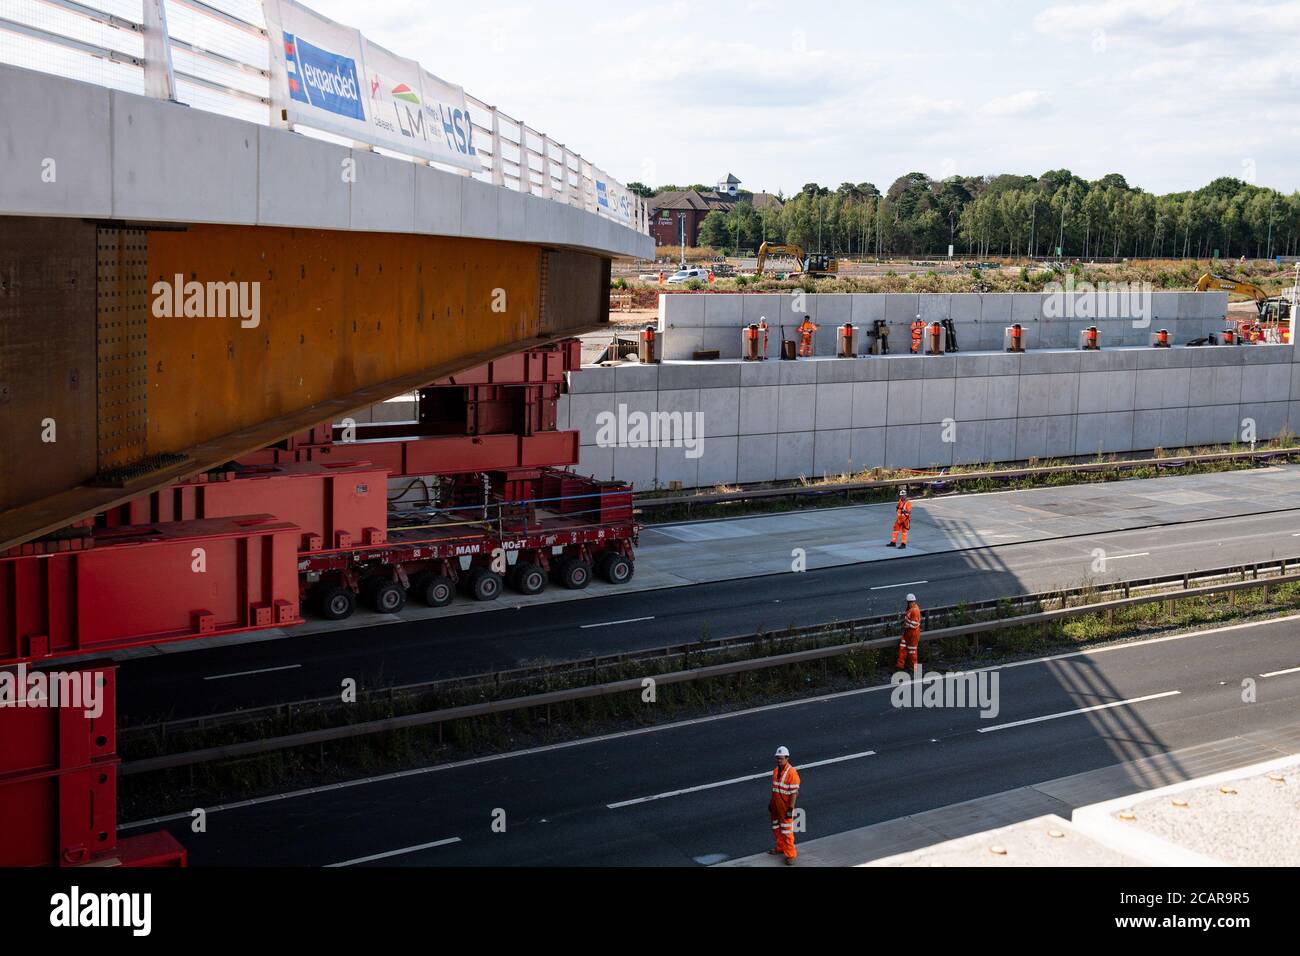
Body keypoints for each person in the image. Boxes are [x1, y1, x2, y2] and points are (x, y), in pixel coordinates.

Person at [768, 746, 801, 864]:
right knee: (776, 827)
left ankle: (791, 854)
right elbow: (775, 789)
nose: (779, 760)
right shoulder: (776, 770)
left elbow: (794, 793)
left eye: (781, 758)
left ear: (787, 758)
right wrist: (771, 803)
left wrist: (790, 808)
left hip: (785, 807)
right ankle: (780, 847)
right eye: (777, 758)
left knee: (787, 831)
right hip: (776, 805)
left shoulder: (792, 773)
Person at [896, 594, 922, 674]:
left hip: (913, 633)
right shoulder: (911, 609)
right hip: (907, 632)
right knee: (902, 648)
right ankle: (900, 666)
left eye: (911, 602)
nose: (910, 603)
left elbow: (915, 624)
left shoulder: (915, 610)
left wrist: (906, 625)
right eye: (909, 602)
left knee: (912, 651)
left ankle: (914, 669)